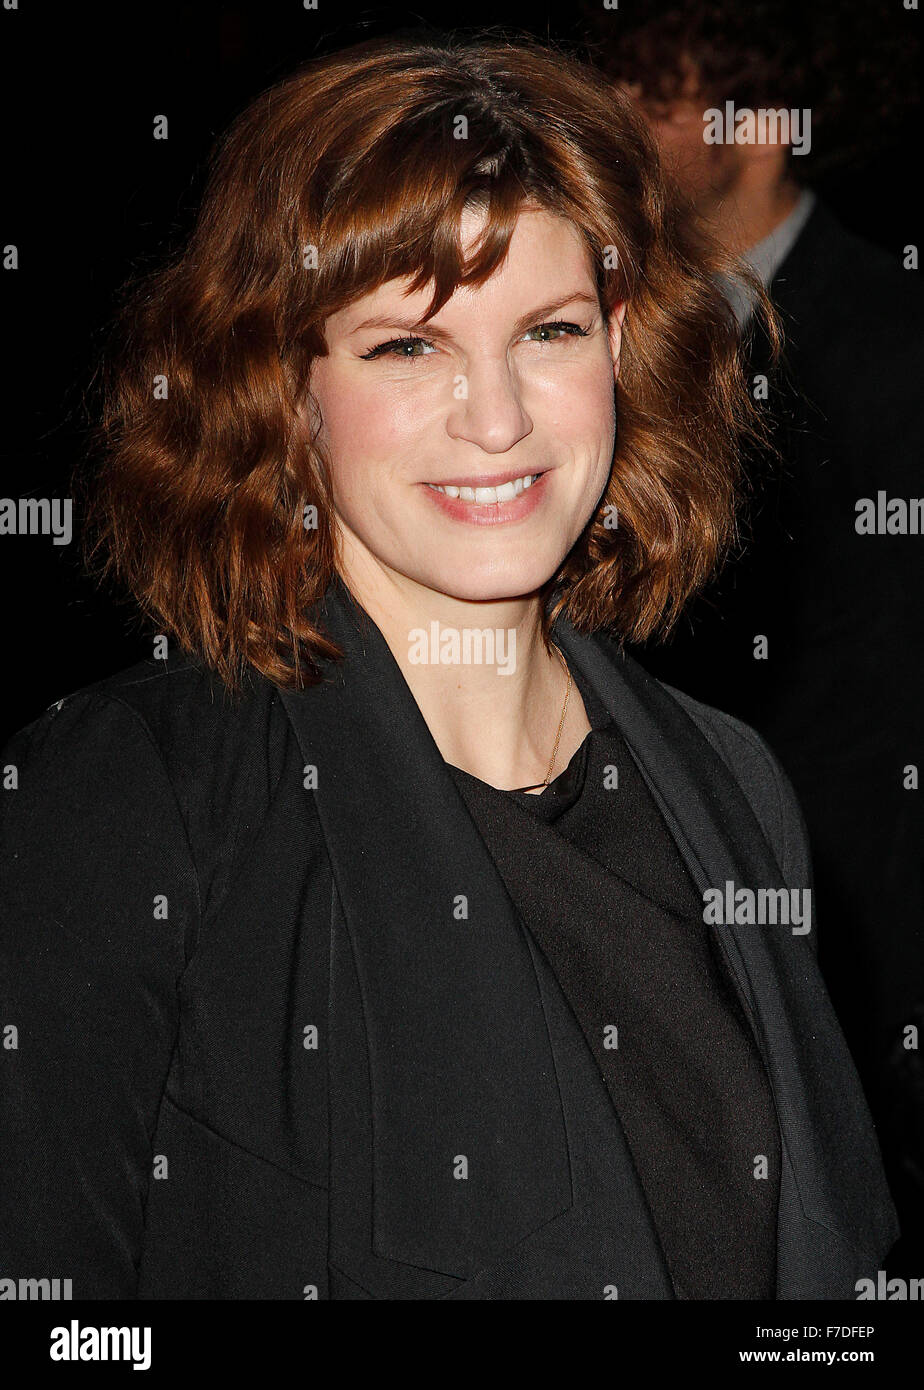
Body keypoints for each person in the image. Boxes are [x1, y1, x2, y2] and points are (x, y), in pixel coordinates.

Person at [0, 30, 898, 1300]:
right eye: (406, 347)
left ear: (621, 346)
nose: (498, 418)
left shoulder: (730, 785)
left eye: (548, 330)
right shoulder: (130, 798)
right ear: (285, 385)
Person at [579, 0, 924, 1268]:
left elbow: (880, 702)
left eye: (656, 94)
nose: (615, 117)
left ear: (762, 123)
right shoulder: (596, 329)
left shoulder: (891, 338)